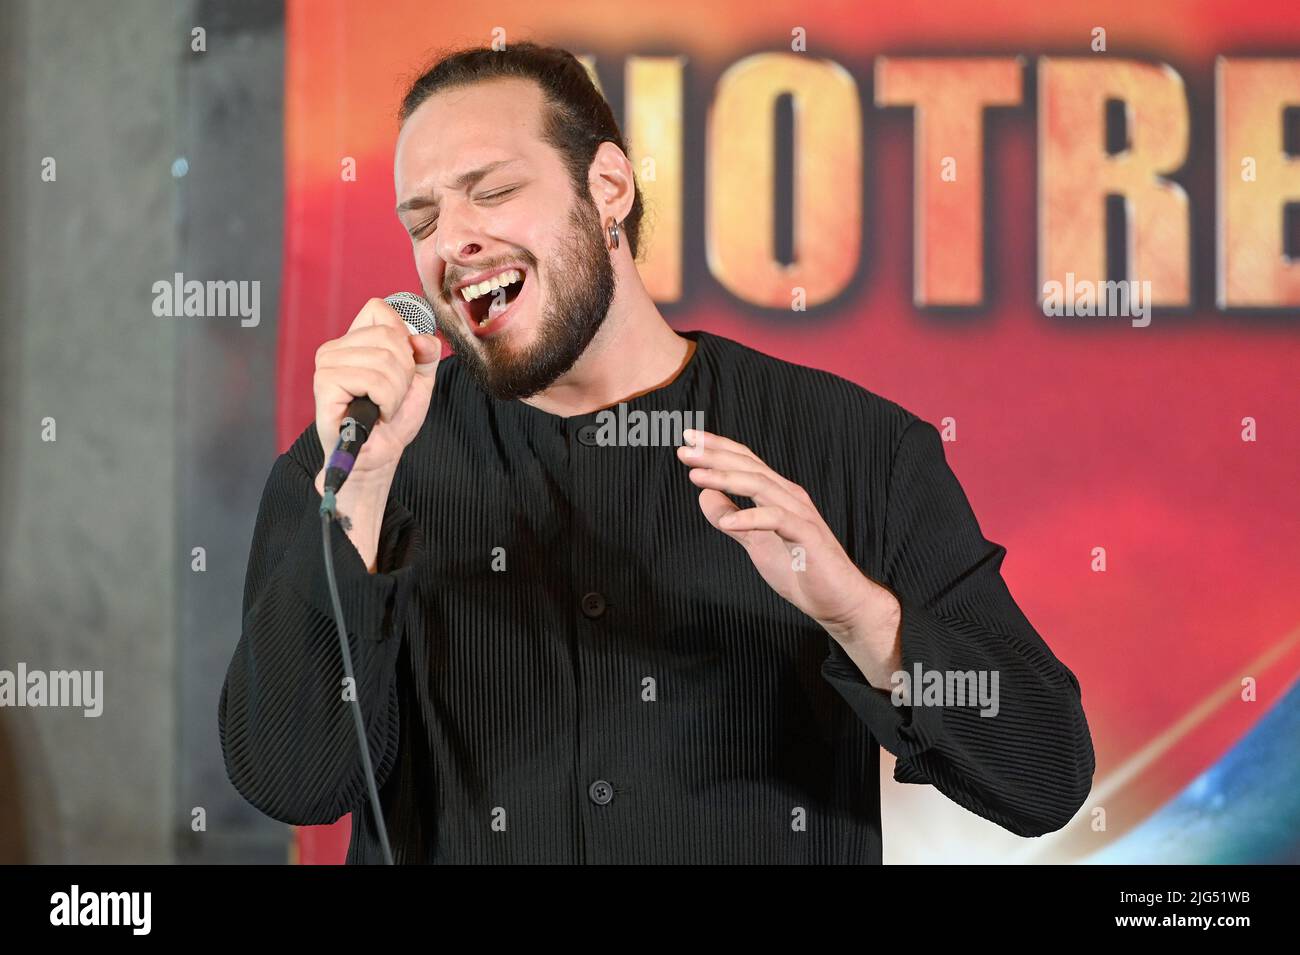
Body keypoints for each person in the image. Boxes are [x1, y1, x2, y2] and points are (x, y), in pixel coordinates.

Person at [218, 42, 1095, 864]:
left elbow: (1045, 774)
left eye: (490, 192)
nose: (453, 241)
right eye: (424, 218)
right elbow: (297, 781)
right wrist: (361, 497)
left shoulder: (855, 448)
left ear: (608, 188)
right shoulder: (352, 460)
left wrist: (865, 621)